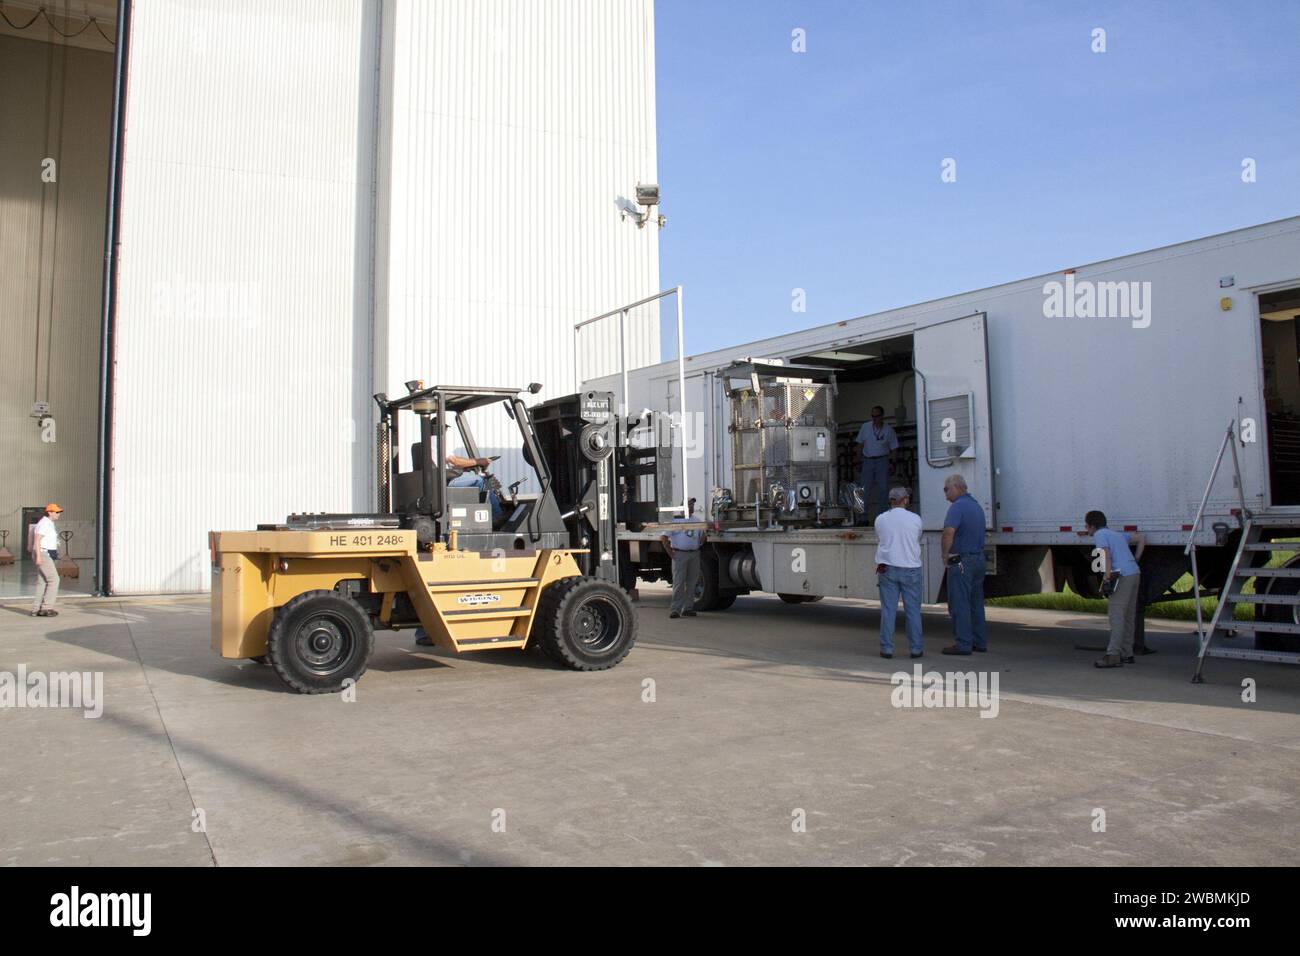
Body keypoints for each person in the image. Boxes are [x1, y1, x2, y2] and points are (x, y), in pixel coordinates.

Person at [1086, 510, 1145, 668]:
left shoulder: (1100, 535)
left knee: (1116, 615)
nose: (1087, 531)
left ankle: (1113, 655)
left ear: (1092, 526)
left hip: (1122, 575)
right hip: (1134, 573)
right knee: (1128, 615)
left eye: (1087, 527)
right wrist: (1136, 559)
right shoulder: (1117, 534)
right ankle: (1127, 653)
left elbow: (1105, 554)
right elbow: (1141, 537)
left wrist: (1106, 577)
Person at [874, 486, 924, 659]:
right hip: (911, 568)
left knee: (888, 610)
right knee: (913, 611)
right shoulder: (916, 519)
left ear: (891, 500)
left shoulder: (880, 519)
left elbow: (879, 539)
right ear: (905, 500)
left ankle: (886, 648)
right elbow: (917, 538)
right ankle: (916, 648)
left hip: (887, 568)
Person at [940, 474, 987, 655]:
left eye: (946, 489)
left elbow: (948, 532)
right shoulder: (976, 507)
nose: (945, 494)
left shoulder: (957, 507)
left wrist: (945, 555)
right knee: (976, 603)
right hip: (978, 559)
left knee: (959, 604)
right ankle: (979, 642)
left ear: (958, 487)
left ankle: (963, 644)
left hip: (961, 561)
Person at [662, 498, 705, 619]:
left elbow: (702, 536)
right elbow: (664, 538)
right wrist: (671, 554)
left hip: (694, 554)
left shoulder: (696, 521)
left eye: (692, 505)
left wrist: (701, 540)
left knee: (692, 582)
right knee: (679, 582)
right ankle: (676, 609)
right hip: (680, 554)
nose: (691, 507)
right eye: (689, 505)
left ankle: (688, 608)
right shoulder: (675, 521)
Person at [854, 406, 899, 523]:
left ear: (882, 416)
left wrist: (893, 463)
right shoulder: (865, 427)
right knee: (862, 490)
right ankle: (862, 518)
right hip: (867, 460)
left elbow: (894, 448)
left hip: (882, 460)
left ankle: (882, 518)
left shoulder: (888, 430)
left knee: (883, 490)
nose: (874, 419)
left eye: (877, 416)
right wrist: (858, 460)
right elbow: (859, 444)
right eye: (872, 416)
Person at [29, 503, 63, 617]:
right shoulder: (44, 523)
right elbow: (37, 540)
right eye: (56, 512)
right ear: (50, 512)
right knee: (54, 580)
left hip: (44, 553)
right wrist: (38, 557)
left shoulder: (48, 523)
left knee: (42, 581)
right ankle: (47, 608)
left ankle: (36, 609)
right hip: (43, 554)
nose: (58, 514)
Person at [447, 454, 502, 522]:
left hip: (447, 477)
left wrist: (467, 464)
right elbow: (454, 461)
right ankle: (497, 516)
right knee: (482, 481)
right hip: (446, 480)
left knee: (475, 478)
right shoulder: (437, 445)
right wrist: (478, 461)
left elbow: (454, 460)